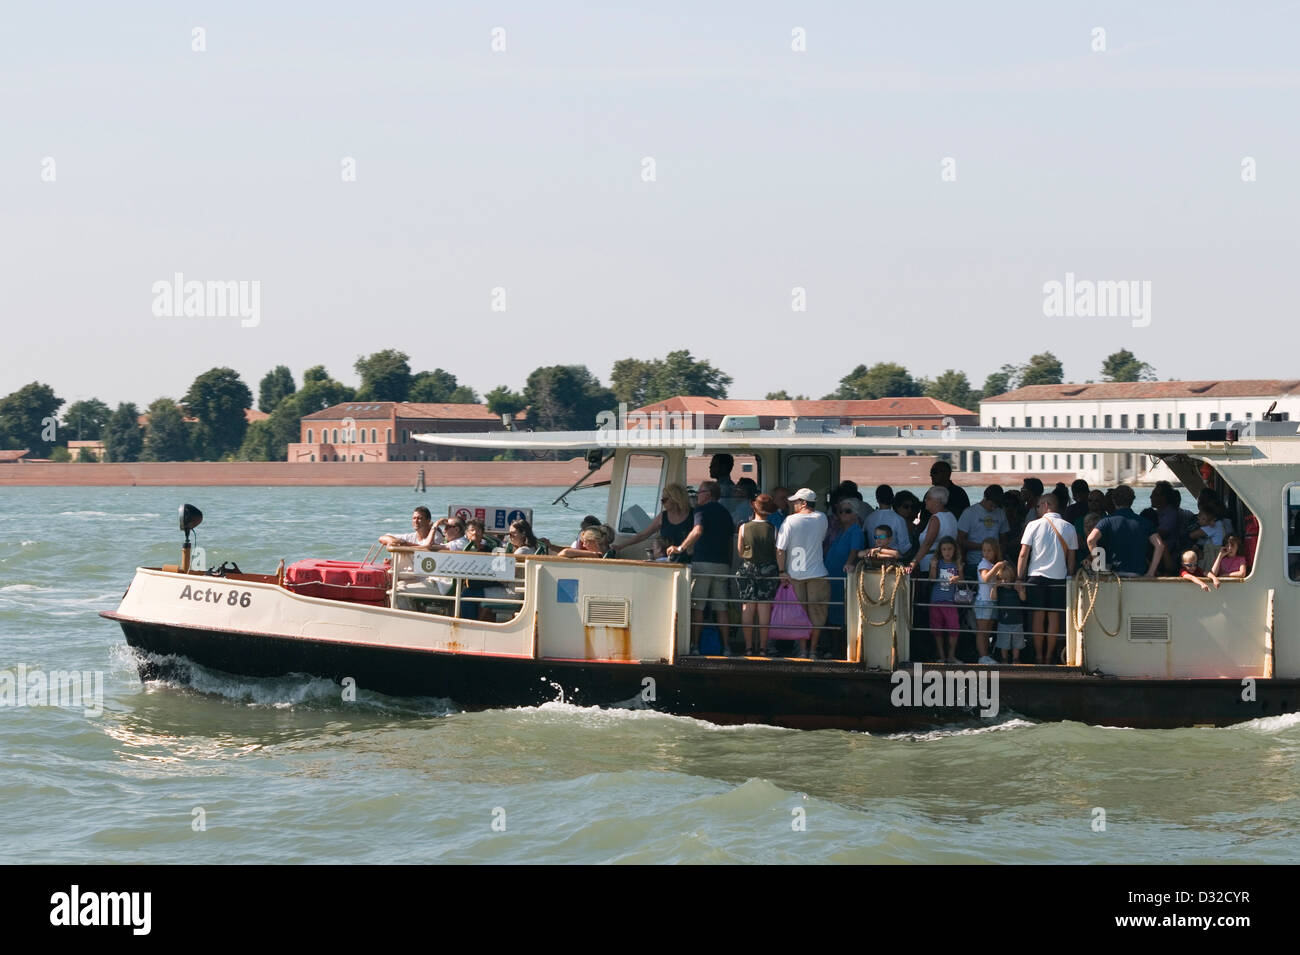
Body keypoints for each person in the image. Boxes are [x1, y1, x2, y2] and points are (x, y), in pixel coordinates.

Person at [667, 480, 736, 652]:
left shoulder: (701, 510)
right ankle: (726, 647)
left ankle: (695, 646)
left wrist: (680, 548)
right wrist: (729, 564)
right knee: (721, 608)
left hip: (703, 563)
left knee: (698, 606)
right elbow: (729, 542)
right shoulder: (726, 513)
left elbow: (698, 530)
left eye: (700, 492)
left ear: (709, 494)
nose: (697, 495)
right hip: (723, 565)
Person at [1017, 491, 1078, 665]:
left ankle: (1038, 656)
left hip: (1036, 577)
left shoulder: (1033, 525)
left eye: (1037, 506)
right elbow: (1071, 560)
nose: (1036, 509)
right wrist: (1070, 577)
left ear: (1045, 505)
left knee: (1037, 617)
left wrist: (1019, 578)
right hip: (1058, 578)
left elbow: (1023, 554)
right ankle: (1049, 656)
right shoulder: (1069, 527)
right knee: (1053, 619)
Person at [776, 488, 830, 657]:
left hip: (795, 575)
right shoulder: (822, 518)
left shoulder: (789, 521)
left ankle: (802, 650)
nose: (793, 504)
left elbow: (780, 549)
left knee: (800, 614)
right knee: (817, 615)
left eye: (796, 501)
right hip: (817, 574)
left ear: (804, 503)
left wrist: (781, 571)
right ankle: (813, 650)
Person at [1088, 484, 1163, 577]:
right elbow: (1159, 545)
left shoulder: (1106, 521)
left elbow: (1091, 540)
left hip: (1114, 575)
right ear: (1132, 501)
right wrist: (1151, 572)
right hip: (1138, 574)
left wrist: (1099, 567)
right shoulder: (1145, 522)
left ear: (1113, 500)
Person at [737, 494, 779, 655]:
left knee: (747, 609)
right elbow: (777, 552)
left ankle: (748, 648)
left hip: (748, 569)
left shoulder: (743, 527)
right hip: (768, 571)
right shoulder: (773, 529)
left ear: (754, 507)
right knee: (764, 610)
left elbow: (740, 552)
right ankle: (762, 648)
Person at [824, 493, 866, 647]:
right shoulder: (841, 531)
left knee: (840, 612)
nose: (843, 514)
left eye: (847, 511)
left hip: (841, 576)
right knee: (831, 609)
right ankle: (833, 646)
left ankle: (839, 648)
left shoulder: (856, 530)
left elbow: (854, 551)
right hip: (831, 574)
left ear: (855, 514)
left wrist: (848, 565)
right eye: (841, 511)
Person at [623, 483, 693, 558]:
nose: (662, 503)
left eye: (664, 500)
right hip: (668, 561)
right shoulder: (663, 516)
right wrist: (622, 545)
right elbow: (643, 534)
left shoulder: (693, 515)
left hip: (690, 561)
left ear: (675, 499)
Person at [956, 485, 1009, 573]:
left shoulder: (1000, 513)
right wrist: (984, 547)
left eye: (996, 506)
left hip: (994, 563)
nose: (993, 509)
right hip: (974, 562)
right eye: (991, 505)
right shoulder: (969, 512)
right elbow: (960, 540)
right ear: (985, 498)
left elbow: (1004, 539)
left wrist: (999, 554)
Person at [911, 486, 959, 576]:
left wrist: (913, 563)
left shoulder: (936, 518)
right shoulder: (951, 516)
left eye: (928, 498)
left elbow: (928, 543)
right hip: (946, 562)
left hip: (931, 565)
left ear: (937, 501)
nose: (925, 500)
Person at [929, 537, 962, 663]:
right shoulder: (937, 562)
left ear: (954, 550)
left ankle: (951, 655)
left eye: (949, 549)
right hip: (936, 600)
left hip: (950, 601)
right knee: (937, 630)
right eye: (944, 549)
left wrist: (958, 577)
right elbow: (931, 579)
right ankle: (941, 656)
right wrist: (933, 567)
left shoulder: (956, 564)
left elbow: (962, 583)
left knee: (954, 628)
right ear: (940, 551)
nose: (947, 552)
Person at [991, 562, 1027, 664]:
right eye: (1003, 579)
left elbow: (1023, 599)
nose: (1006, 582)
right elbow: (993, 598)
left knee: (1017, 642)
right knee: (1004, 642)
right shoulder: (1000, 590)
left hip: (1017, 620)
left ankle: (1016, 659)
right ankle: (1004, 659)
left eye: (1008, 579)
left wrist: (1020, 590)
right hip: (1003, 621)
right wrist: (994, 586)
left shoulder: (1015, 588)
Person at [974, 538, 1002, 664]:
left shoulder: (990, 564)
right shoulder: (984, 564)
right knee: (982, 631)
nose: (986, 553)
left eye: (989, 550)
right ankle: (982, 656)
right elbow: (985, 578)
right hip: (983, 602)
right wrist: (997, 567)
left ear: (995, 551)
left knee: (987, 631)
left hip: (990, 601)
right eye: (984, 550)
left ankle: (986, 655)